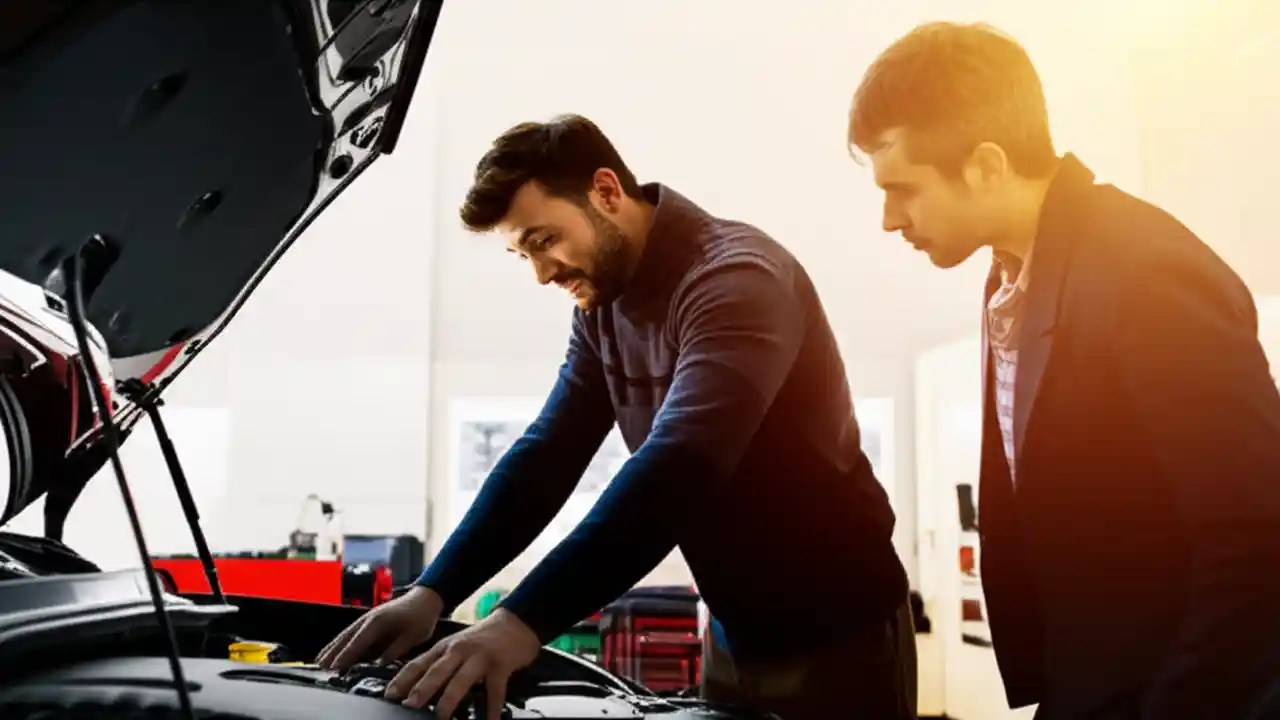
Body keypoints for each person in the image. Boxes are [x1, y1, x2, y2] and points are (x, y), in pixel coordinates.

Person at [317, 113, 917, 719]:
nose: (542, 273)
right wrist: (433, 591)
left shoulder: (736, 280)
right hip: (735, 635)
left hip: (842, 634)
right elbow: (549, 451)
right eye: (522, 253)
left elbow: (678, 468)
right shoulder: (602, 308)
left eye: (545, 241)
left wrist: (519, 624)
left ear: (606, 191)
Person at [847, 21, 1280, 720]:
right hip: (1087, 681)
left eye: (904, 188)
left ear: (987, 164)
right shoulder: (1008, 276)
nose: (890, 220)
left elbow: (1257, 539)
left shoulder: (1145, 272)